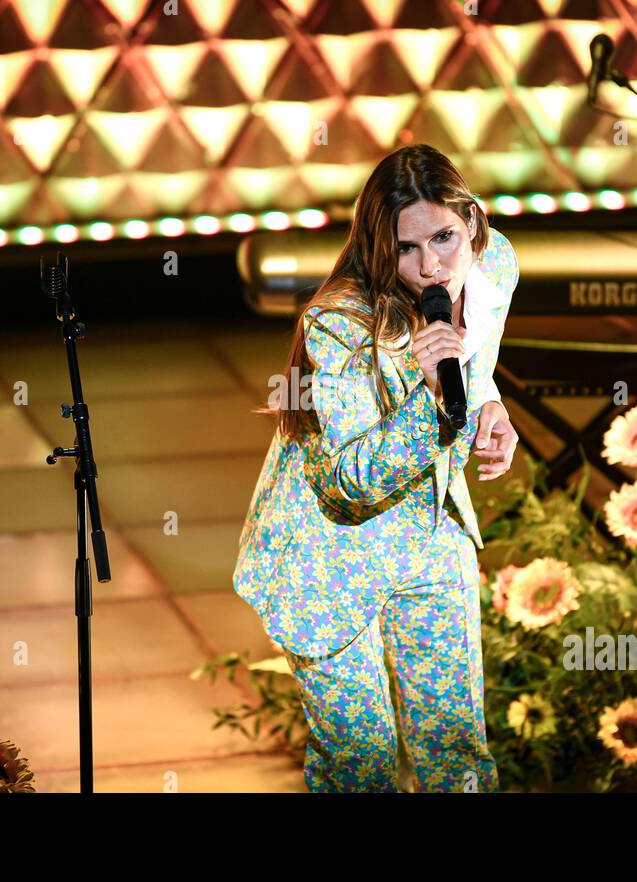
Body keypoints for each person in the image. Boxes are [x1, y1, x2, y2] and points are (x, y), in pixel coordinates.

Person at [234, 143, 520, 792]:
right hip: (326, 560)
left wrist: (489, 409)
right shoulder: (339, 324)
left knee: (456, 753)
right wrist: (429, 402)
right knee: (360, 766)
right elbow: (348, 485)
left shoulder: (495, 264)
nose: (432, 267)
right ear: (377, 248)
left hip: (427, 537)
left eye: (446, 238)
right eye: (406, 250)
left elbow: (474, 364)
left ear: (472, 221)